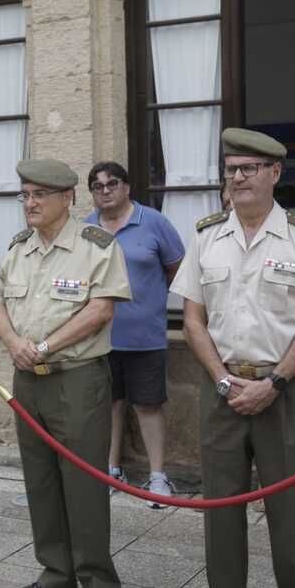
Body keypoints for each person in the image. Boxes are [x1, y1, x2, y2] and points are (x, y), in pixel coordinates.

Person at [169, 128, 295, 588]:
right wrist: (221, 379)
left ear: (274, 174)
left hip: (282, 391)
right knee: (220, 506)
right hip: (222, 389)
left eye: (248, 168)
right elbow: (192, 318)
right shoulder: (206, 235)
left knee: (291, 511)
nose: (237, 178)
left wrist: (276, 383)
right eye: (230, 169)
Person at [0, 158, 130, 588]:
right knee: (40, 479)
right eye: (25, 195)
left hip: (77, 378)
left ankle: (99, 583)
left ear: (67, 199)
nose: (29, 204)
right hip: (28, 380)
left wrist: (45, 346)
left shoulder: (95, 246)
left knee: (84, 482)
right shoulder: (17, 249)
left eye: (39, 196)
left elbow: (101, 310)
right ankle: (56, 572)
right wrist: (14, 345)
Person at [84, 161, 185, 504]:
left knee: (148, 405)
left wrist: (151, 303)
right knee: (108, 405)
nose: (105, 190)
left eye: (112, 183)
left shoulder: (153, 222)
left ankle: (158, 476)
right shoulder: (84, 228)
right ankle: (111, 471)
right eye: (97, 186)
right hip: (97, 336)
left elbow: (177, 269)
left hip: (145, 335)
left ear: (127, 187)